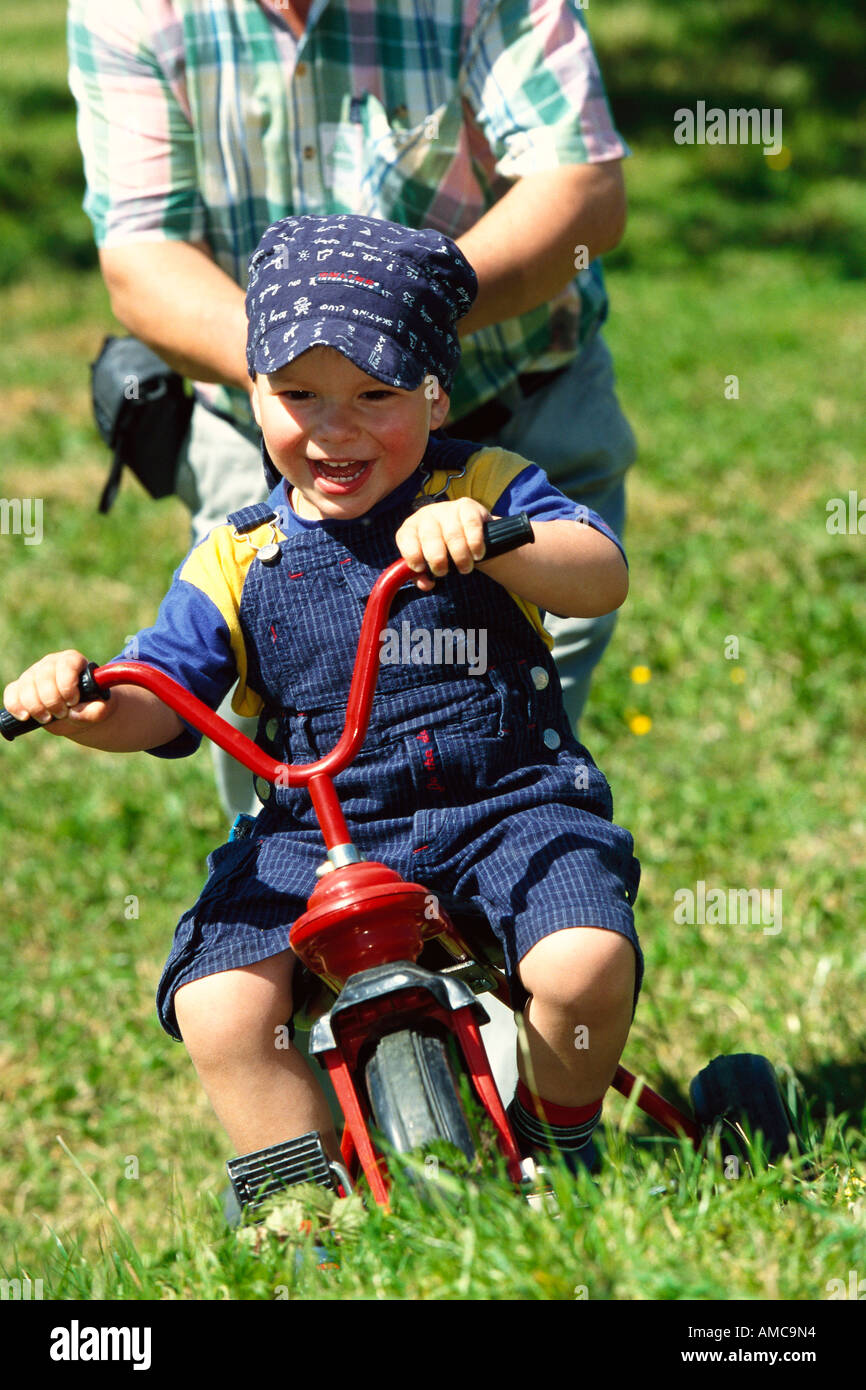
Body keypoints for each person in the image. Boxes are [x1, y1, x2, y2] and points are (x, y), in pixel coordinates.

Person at [3, 214, 641, 1179]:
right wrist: (84, 705)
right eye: (297, 394)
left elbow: (599, 574)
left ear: (435, 393)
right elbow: (165, 697)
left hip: (506, 798)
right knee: (222, 1008)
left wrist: (495, 535)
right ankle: (303, 1191)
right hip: (319, 827)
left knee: (582, 962)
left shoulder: (481, 483)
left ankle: (560, 1141)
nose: (332, 429)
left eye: (374, 395)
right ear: (251, 389)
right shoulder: (238, 555)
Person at [68, 0, 636, 820]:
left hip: (518, 423)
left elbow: (584, 193)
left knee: (513, 793)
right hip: (262, 445)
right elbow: (141, 258)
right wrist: (314, 388)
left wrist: (395, 331)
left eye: (377, 388)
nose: (344, 417)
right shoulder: (129, 11)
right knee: (295, 816)